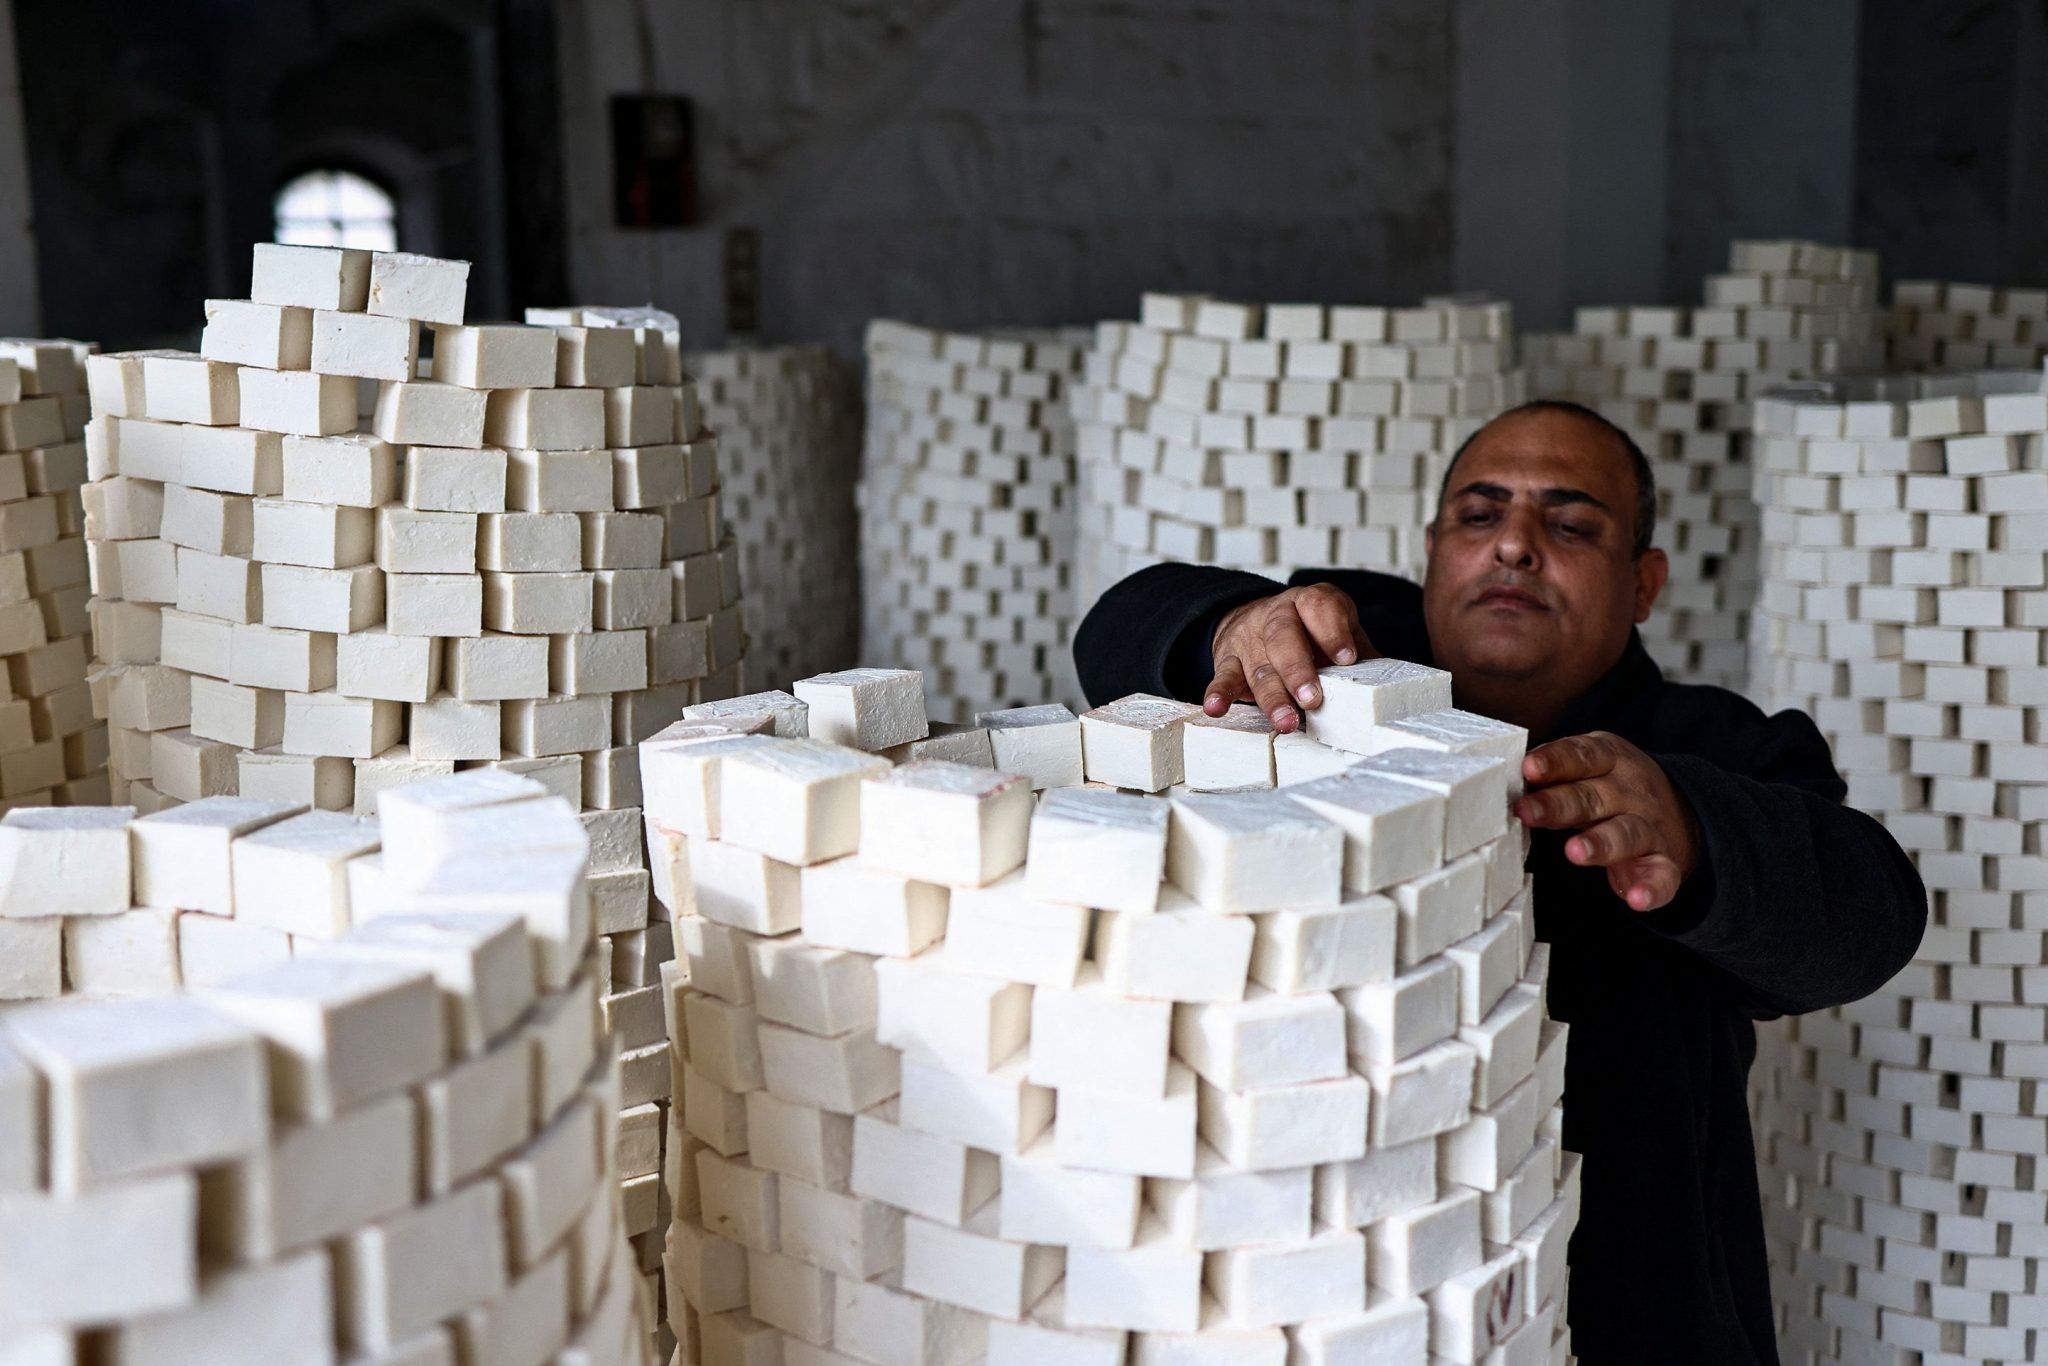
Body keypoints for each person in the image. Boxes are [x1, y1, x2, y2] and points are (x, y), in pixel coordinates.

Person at [1072, 399, 1926, 1365]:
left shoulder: (1713, 748)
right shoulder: (1330, 664)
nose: (1515, 545)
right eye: (1480, 516)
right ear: (1431, 548)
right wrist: (1229, 624)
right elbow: (1120, 625)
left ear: (1644, 584)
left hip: (1626, 1304)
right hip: (1324, 1284)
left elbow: (1874, 912)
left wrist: (1690, 829)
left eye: (1569, 525)